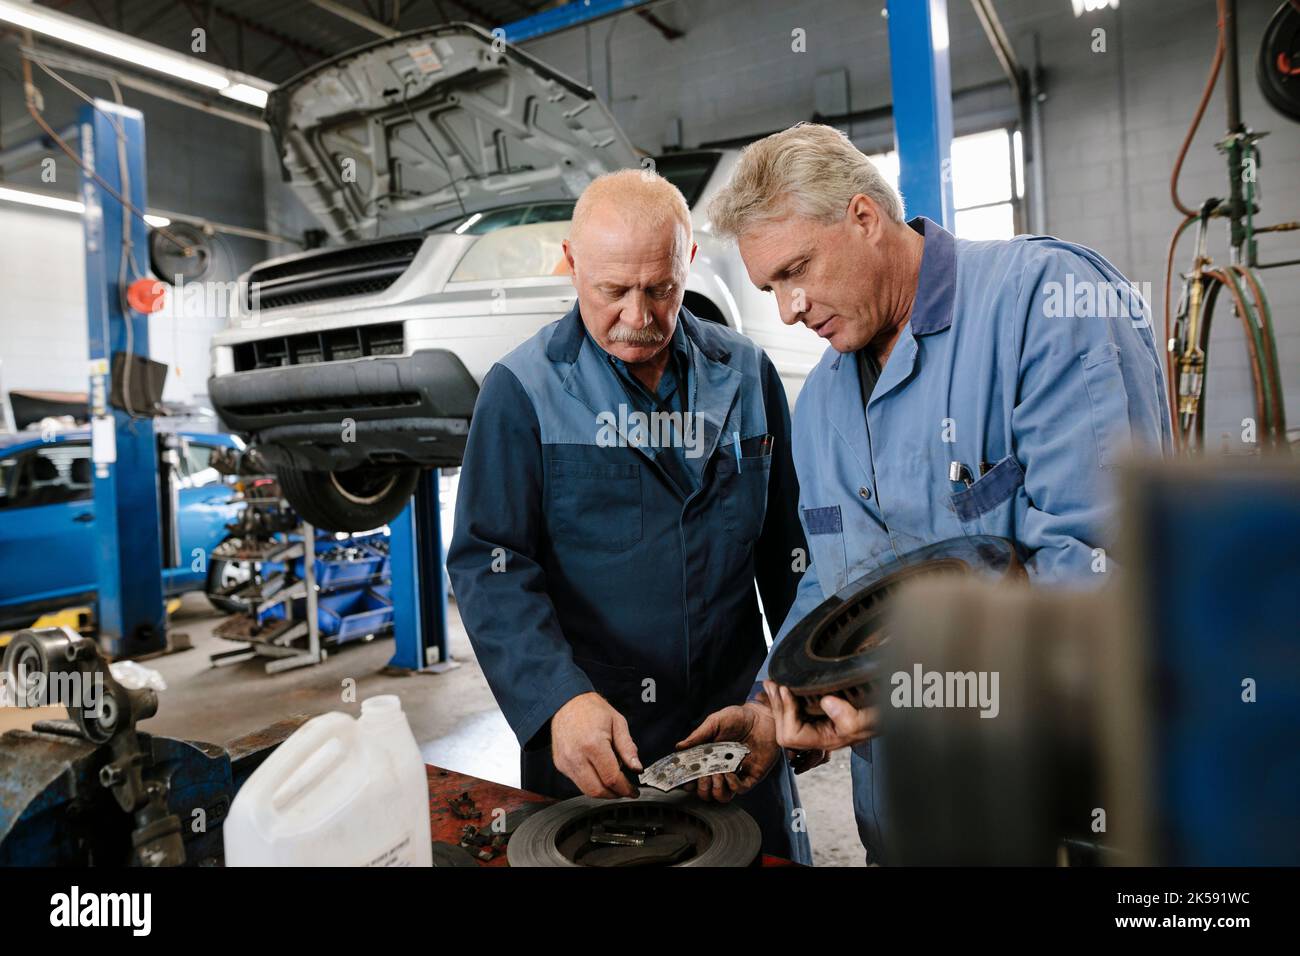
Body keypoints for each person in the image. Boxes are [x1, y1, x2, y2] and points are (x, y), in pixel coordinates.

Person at [686, 122, 1172, 863]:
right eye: (769, 289)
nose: (788, 308)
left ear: (863, 217)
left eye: (797, 270)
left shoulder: (1043, 304)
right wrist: (772, 704)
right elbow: (832, 583)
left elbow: (1110, 569)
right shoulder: (820, 403)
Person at [446, 168, 811, 862]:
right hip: (597, 743)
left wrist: (785, 700)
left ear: (689, 264)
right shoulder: (520, 392)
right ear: (572, 262)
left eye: (661, 289)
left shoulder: (747, 374)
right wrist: (557, 702)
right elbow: (490, 566)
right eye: (612, 291)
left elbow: (793, 559)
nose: (638, 316)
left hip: (738, 736)